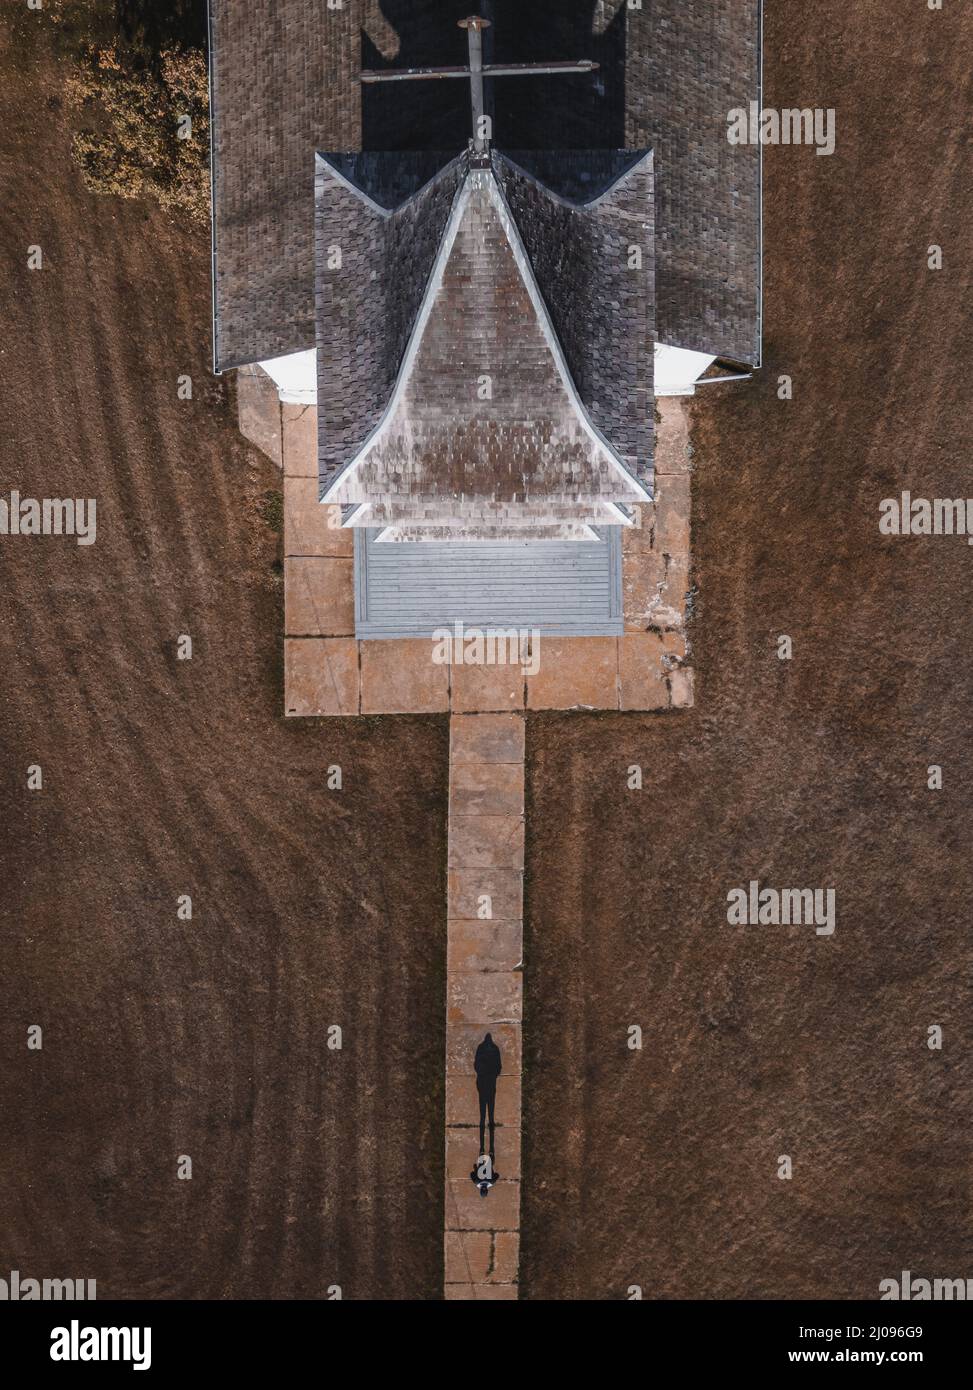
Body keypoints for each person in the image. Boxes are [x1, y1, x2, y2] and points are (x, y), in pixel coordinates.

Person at [474, 1032, 502, 1156]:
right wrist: (492, 1075)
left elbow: (476, 1065)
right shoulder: (495, 1049)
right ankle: (491, 1148)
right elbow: (499, 1068)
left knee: (482, 1116)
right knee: (491, 1116)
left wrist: (483, 1073)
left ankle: (482, 1148)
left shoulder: (480, 1048)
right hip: (491, 1084)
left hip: (482, 1084)